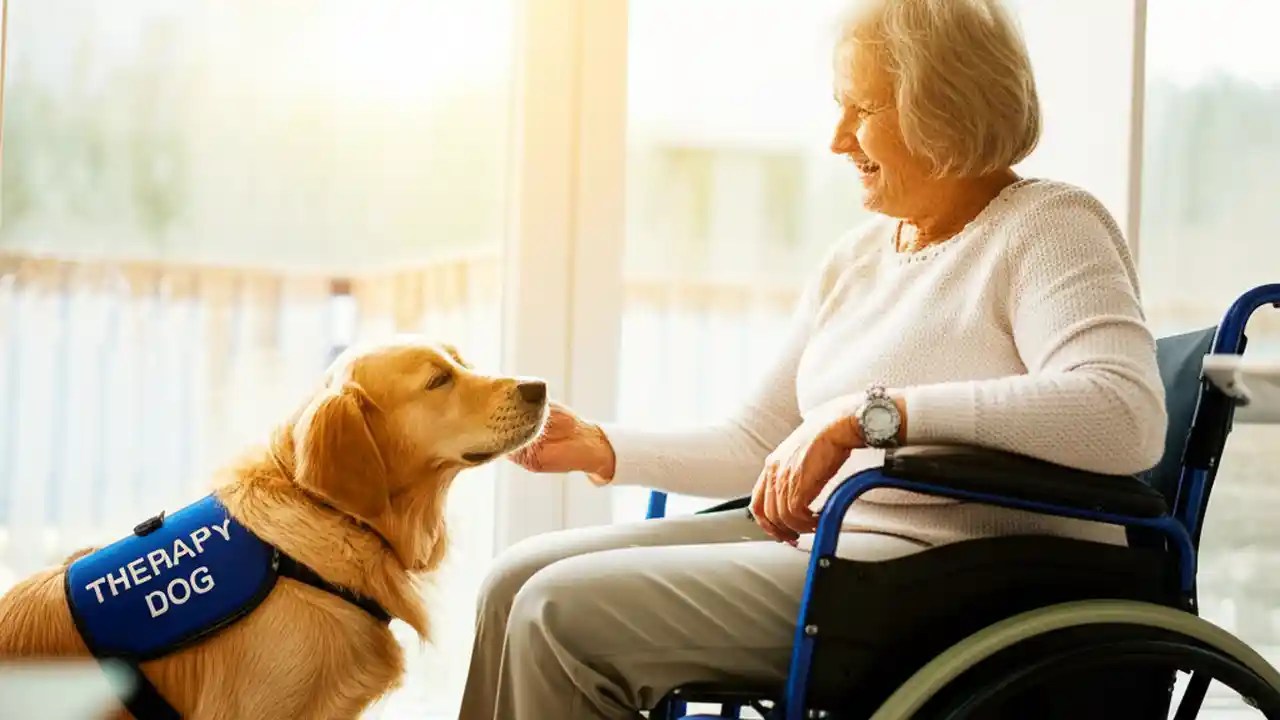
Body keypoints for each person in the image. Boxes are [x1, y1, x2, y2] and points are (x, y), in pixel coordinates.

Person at [458, 0, 1168, 717]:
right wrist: (601, 447)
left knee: (557, 614)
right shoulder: (857, 259)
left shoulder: (1048, 226)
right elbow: (758, 444)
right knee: (512, 578)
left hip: (947, 576)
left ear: (943, 106)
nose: (836, 140)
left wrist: (869, 416)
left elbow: (1122, 412)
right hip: (831, 547)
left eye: (860, 110)